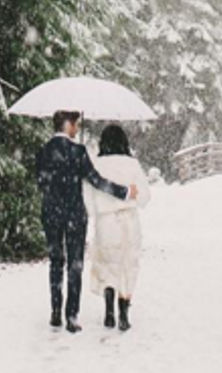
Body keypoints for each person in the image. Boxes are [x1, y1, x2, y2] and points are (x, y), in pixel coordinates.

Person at [35, 111, 139, 333]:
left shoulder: (44, 151)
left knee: (56, 262)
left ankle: (55, 312)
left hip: (51, 213)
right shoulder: (78, 151)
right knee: (75, 265)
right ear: (67, 124)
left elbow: (40, 182)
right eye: (76, 124)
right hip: (74, 215)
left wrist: (55, 192)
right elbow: (97, 181)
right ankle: (71, 317)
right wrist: (124, 192)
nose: (77, 128)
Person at [84, 124, 151, 331]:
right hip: (129, 221)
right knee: (128, 265)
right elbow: (144, 197)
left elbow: (87, 198)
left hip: (106, 222)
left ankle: (109, 311)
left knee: (107, 264)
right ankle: (124, 310)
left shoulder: (96, 165)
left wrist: (96, 212)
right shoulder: (132, 165)